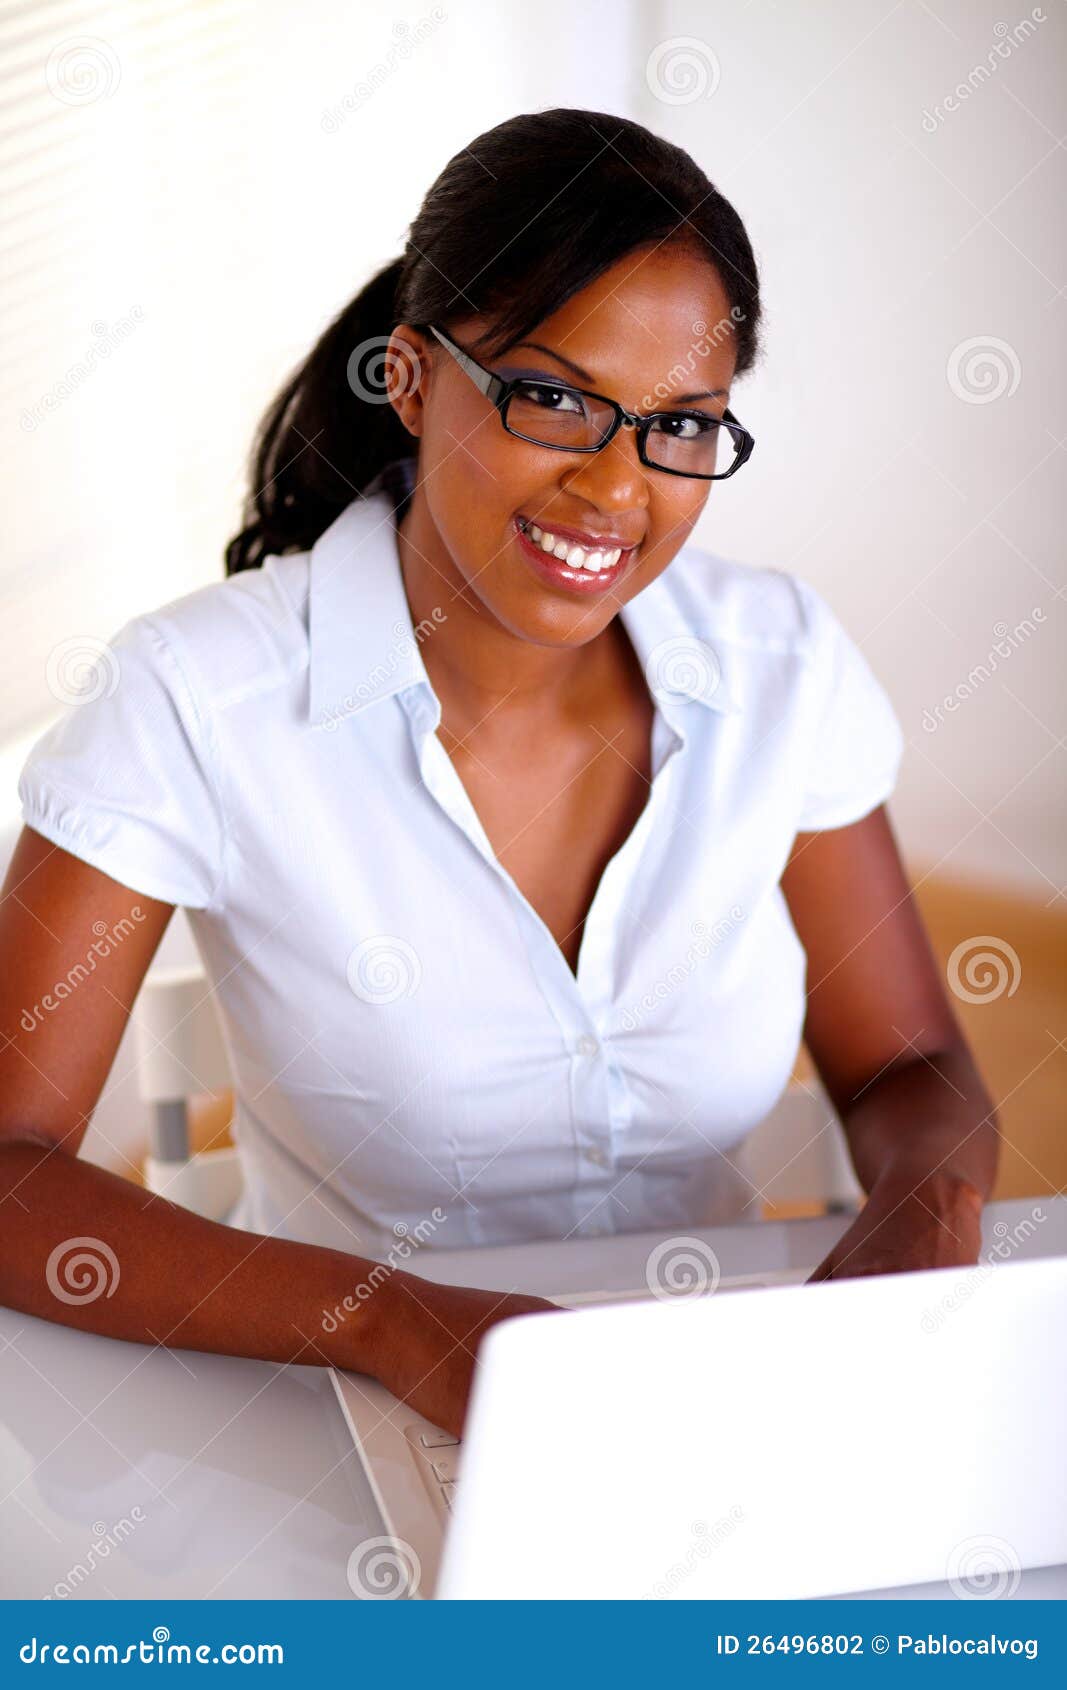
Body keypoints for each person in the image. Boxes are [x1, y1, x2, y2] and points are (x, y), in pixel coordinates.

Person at [0, 108, 998, 1437]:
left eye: (682, 426)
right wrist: (390, 1317)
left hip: (713, 1405)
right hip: (336, 1415)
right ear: (410, 377)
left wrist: (916, 1219)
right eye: (555, 397)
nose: (614, 488)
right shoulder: (195, 695)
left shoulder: (779, 662)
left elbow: (909, 1058)